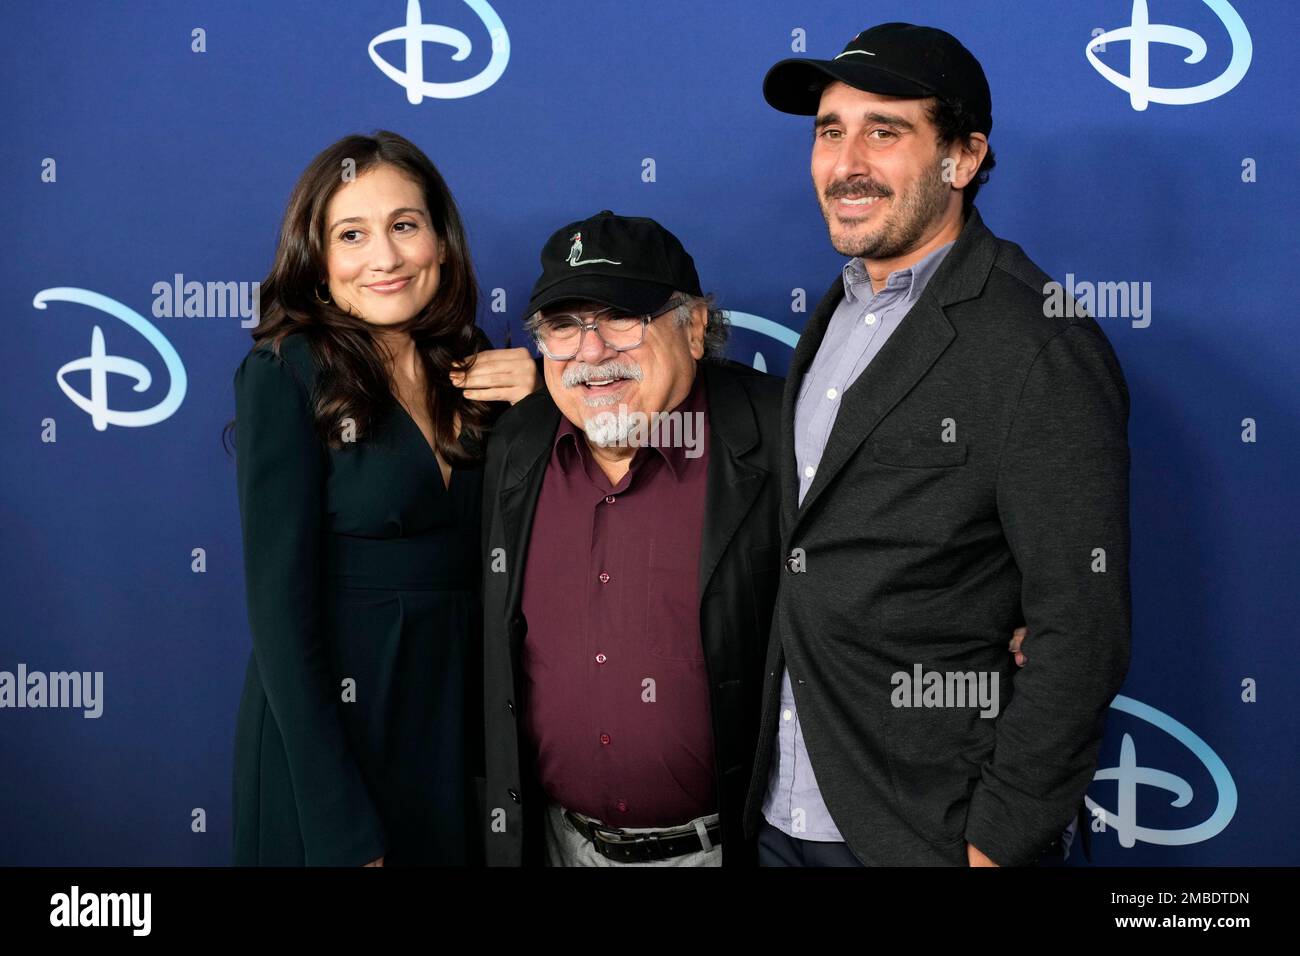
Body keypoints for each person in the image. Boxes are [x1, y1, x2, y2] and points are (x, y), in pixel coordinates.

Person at [745, 23, 1132, 866]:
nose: (846, 162)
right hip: (787, 808)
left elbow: (1082, 625)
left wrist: (997, 841)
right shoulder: (842, 306)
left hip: (927, 828)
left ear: (962, 156)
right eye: (829, 130)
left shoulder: (1036, 342)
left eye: (885, 131)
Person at [229, 130, 538, 866]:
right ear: (317, 257)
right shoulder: (285, 373)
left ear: (440, 237)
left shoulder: (470, 364)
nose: (385, 258)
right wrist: (339, 825)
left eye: (405, 225)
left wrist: (544, 408)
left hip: (451, 727)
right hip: (336, 744)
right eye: (351, 234)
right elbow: (278, 615)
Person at [479, 211, 784, 866]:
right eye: (564, 325)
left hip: (727, 849)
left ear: (695, 326)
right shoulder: (516, 446)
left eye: (622, 316)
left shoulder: (785, 436)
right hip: (560, 845)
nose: (591, 351)